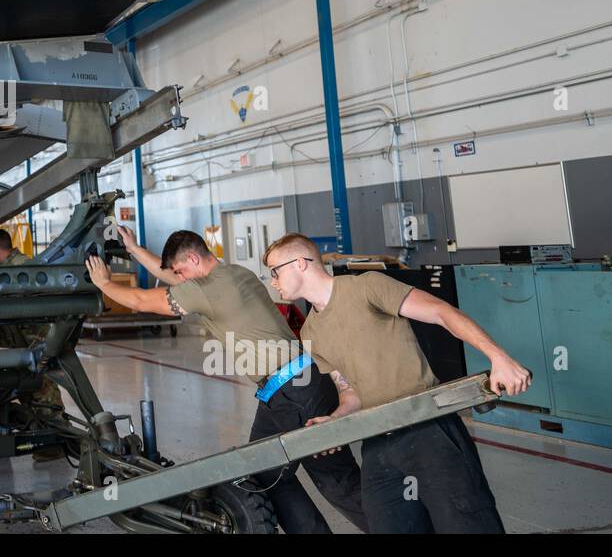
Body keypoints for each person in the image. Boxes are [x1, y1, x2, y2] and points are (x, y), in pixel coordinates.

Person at [86, 228, 368, 533]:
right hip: (287, 389)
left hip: (296, 392)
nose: (179, 277)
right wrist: (134, 249)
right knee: (262, 473)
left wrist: (104, 283)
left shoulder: (205, 291)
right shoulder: (233, 273)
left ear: (193, 258)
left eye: (181, 270)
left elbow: (141, 300)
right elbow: (173, 278)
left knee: (339, 484)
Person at [263, 232, 531, 533]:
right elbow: (350, 391)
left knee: (466, 523)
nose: (273, 280)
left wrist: (499, 357)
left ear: (300, 263)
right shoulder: (311, 331)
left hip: (428, 429)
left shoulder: (367, 287)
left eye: (275, 271)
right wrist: (334, 420)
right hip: (378, 442)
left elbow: (442, 313)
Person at [0, 228, 65, 459]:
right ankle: (42, 438)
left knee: (43, 387)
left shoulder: (21, 266)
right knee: (30, 388)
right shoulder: (10, 266)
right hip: (22, 339)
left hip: (33, 339)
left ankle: (55, 442)